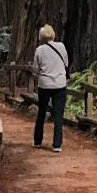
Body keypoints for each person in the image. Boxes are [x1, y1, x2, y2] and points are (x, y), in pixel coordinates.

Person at [32, 24, 69, 152]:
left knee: (41, 112)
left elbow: (35, 69)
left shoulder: (39, 50)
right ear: (53, 34)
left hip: (44, 84)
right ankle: (57, 145)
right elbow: (66, 63)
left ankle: (37, 141)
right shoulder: (61, 46)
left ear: (41, 37)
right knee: (58, 114)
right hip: (60, 84)